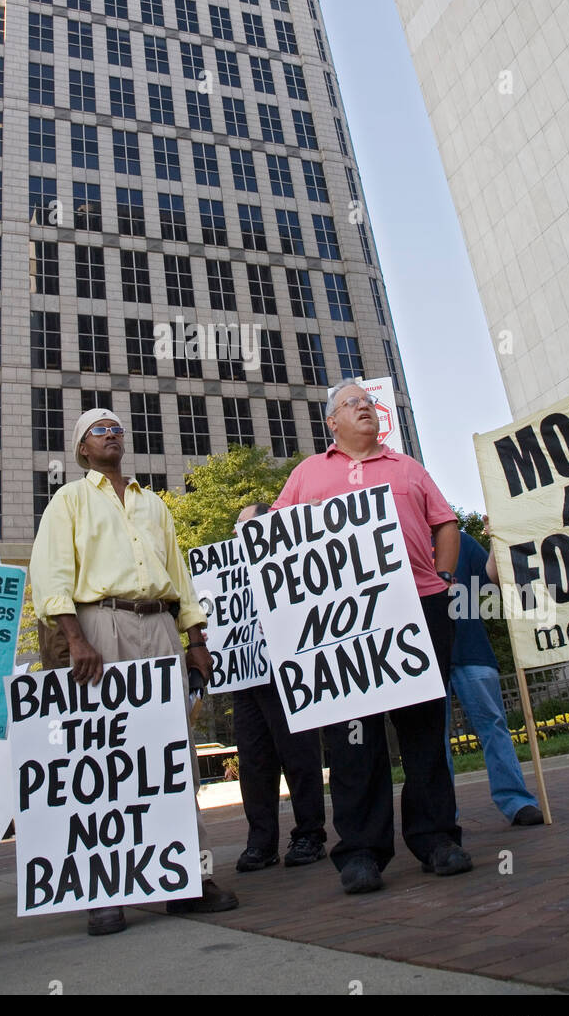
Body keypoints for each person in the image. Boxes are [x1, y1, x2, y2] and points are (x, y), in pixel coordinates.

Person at [29, 407, 238, 936]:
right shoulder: (69, 500)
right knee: (106, 759)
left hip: (158, 627)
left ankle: (189, 876)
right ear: (81, 449)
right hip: (102, 628)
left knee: (172, 755)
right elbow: (52, 573)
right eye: (99, 429)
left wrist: (194, 638)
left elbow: (179, 573)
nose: (113, 433)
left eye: (117, 427)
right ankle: (106, 891)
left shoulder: (154, 505)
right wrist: (75, 637)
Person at [272, 380, 472, 894]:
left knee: (424, 729)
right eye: (352, 403)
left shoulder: (408, 468)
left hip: (419, 607)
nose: (364, 407)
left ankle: (436, 840)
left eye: (368, 401)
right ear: (331, 422)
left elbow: (445, 524)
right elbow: (276, 540)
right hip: (345, 624)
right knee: (352, 736)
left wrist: (444, 580)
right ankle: (361, 852)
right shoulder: (306, 474)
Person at [232, 503, 327, 872]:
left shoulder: (290, 560)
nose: (238, 532)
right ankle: (261, 842)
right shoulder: (230, 572)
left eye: (244, 525)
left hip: (285, 669)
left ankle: (309, 833)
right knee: (253, 760)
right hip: (245, 675)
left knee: (297, 753)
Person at [448, 529, 543, 826]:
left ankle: (516, 801)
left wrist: (498, 537)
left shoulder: (459, 539)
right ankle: (441, 817)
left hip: (469, 647)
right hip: (420, 657)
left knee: (493, 724)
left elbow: (492, 579)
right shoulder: (397, 541)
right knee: (429, 740)